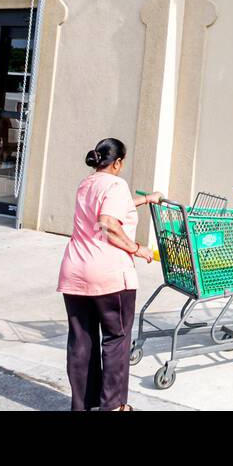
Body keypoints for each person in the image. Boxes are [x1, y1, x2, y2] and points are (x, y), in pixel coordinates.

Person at [57, 138, 160, 411]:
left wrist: (146, 200)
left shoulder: (87, 183)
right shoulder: (116, 184)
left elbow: (111, 207)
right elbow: (108, 224)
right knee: (116, 339)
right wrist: (138, 249)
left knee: (82, 340)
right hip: (108, 274)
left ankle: (84, 404)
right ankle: (113, 406)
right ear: (117, 162)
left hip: (74, 270)